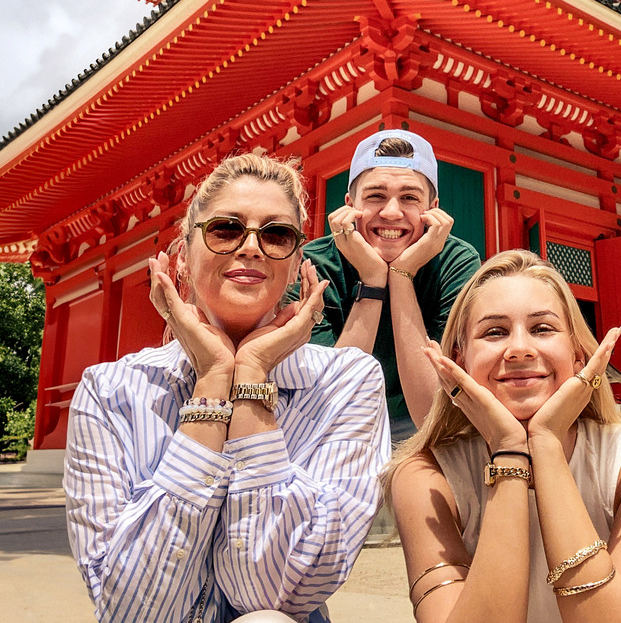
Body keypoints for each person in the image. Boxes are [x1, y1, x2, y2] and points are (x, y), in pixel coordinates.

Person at [64, 153, 390, 623]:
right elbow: (131, 608)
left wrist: (252, 373)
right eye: (226, 229)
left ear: (298, 262)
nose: (252, 248)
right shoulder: (111, 389)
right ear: (182, 255)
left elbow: (272, 594)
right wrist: (214, 380)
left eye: (276, 234)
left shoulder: (346, 382)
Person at [388, 250, 621, 623]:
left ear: (577, 354)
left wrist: (547, 445)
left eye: (542, 329)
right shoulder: (425, 477)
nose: (520, 349)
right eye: (494, 332)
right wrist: (509, 453)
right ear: (460, 361)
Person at [293, 129, 481, 439]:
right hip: (333, 429)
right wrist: (372, 279)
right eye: (375, 196)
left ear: (433, 208)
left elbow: (431, 414)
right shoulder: (313, 264)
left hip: (427, 428)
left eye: (409, 198)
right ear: (350, 204)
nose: (391, 212)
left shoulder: (456, 262)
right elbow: (326, 403)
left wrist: (402, 276)